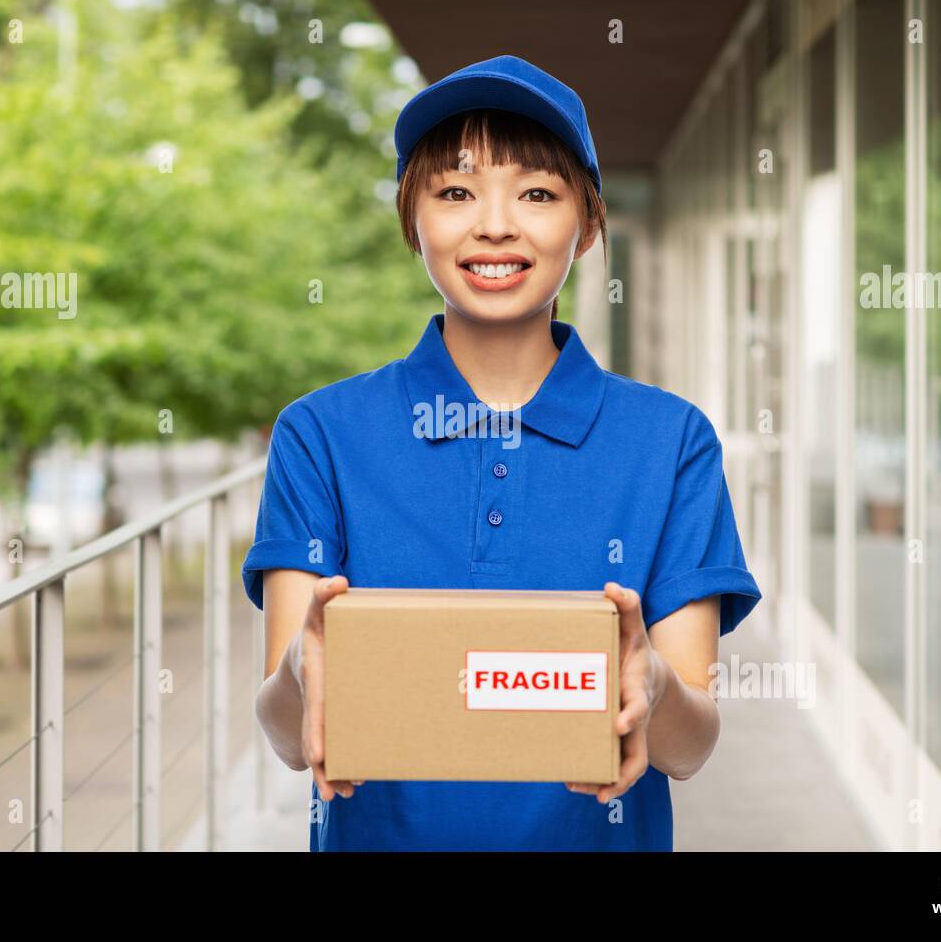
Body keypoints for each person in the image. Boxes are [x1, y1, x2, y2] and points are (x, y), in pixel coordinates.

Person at [244, 54, 762, 851]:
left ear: (587, 225)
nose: (494, 225)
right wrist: (300, 678)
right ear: (411, 217)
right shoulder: (319, 434)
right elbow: (287, 734)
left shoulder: (671, 441)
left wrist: (652, 687)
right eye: (455, 192)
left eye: (537, 193)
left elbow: (690, 748)